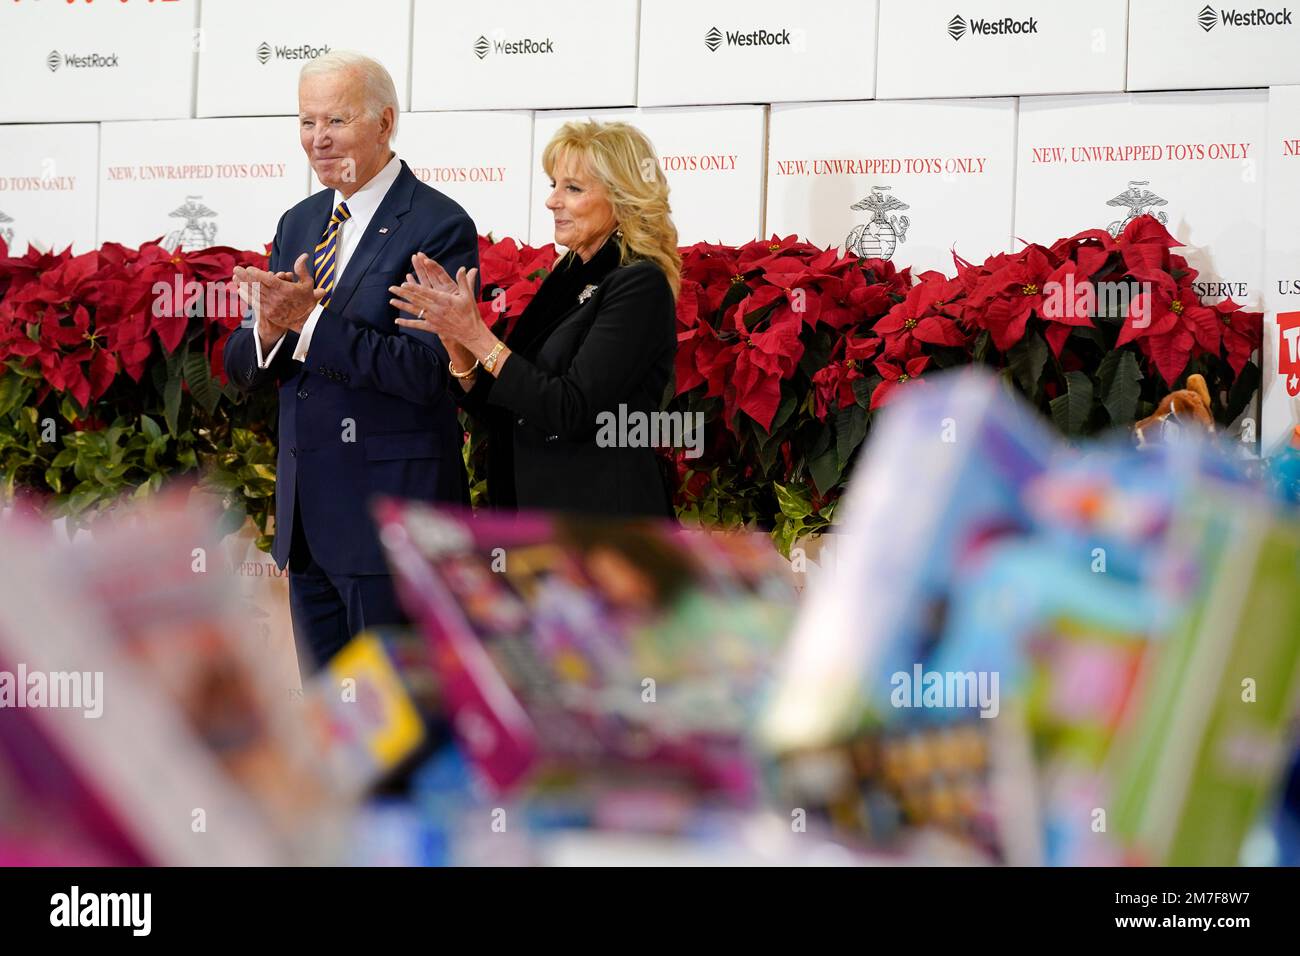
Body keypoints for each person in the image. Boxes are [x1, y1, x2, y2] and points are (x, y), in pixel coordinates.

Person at [223, 51, 478, 672]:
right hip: (308, 526)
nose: (317, 140)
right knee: (332, 739)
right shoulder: (300, 222)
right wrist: (270, 327)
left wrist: (308, 321)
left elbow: (422, 371)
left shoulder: (437, 225)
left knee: (398, 738)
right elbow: (245, 364)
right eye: (306, 122)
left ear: (385, 122)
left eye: (334, 120)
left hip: (390, 525)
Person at [388, 121, 679, 519]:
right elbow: (505, 405)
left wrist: (477, 334)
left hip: (601, 527)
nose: (552, 201)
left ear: (623, 198)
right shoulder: (570, 271)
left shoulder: (639, 283)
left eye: (572, 188)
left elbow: (569, 409)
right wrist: (457, 342)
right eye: (553, 185)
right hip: (534, 519)